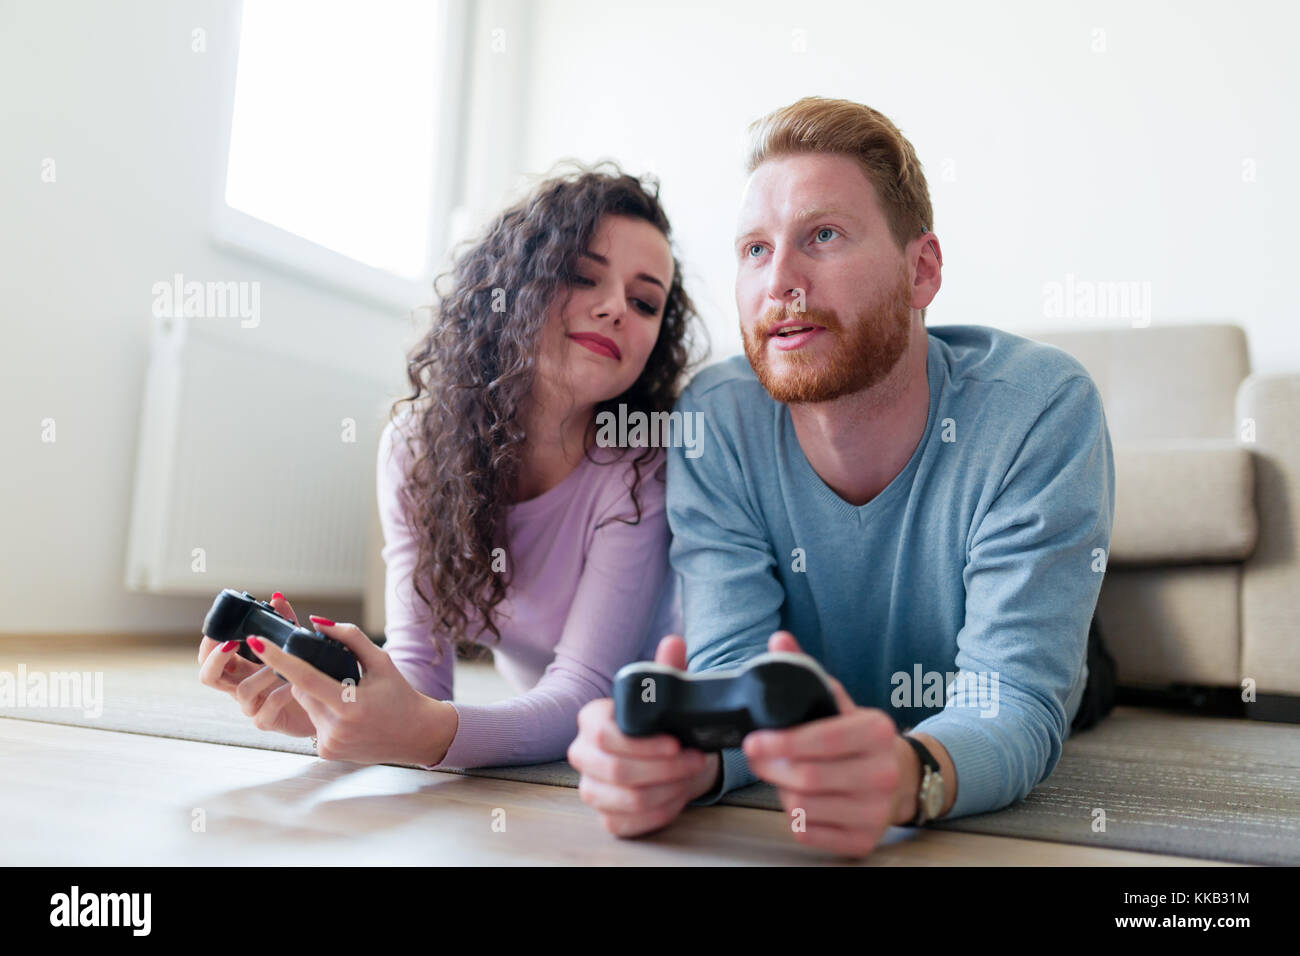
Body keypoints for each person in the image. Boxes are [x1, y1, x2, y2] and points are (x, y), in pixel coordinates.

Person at [568, 97, 1117, 857]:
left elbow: (1013, 696)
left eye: (822, 235)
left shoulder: (1040, 408)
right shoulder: (715, 420)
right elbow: (735, 668)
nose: (779, 281)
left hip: (1001, 644)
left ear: (920, 271)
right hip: (822, 692)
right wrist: (682, 762)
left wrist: (907, 777)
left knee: (1082, 679)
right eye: (755, 250)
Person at [198, 163, 699, 769]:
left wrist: (423, 732)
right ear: (514, 286)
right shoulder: (417, 448)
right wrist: (321, 706)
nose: (617, 307)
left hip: (676, 706)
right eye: (581, 276)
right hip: (554, 716)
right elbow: (420, 680)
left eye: (645, 301)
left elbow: (587, 691)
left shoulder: (640, 465)